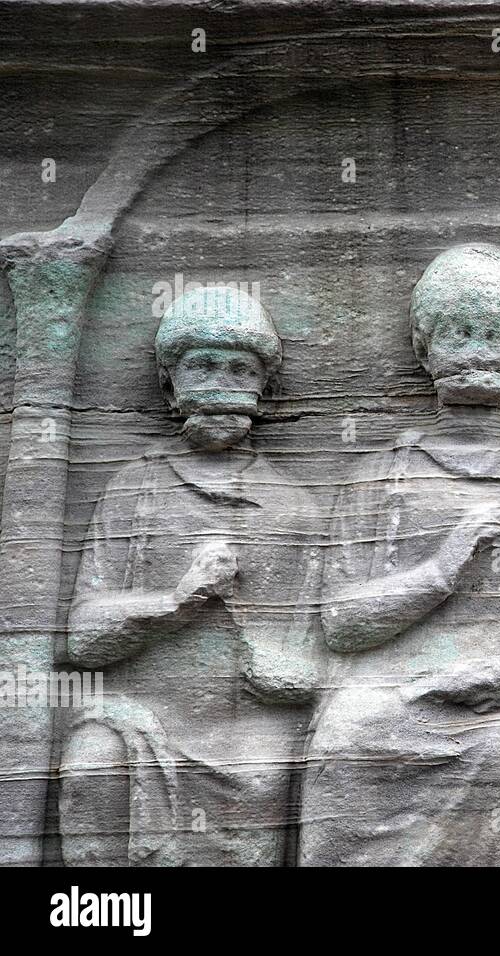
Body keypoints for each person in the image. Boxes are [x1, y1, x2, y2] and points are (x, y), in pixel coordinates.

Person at [299, 243, 500, 865]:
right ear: (423, 346)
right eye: (458, 331)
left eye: (495, 331)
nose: (476, 348)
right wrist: (439, 570)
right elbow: (340, 623)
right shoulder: (378, 479)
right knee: (344, 739)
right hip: (388, 690)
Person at [59, 285, 323, 865]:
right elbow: (81, 639)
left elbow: (317, 663)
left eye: (240, 369)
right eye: (201, 365)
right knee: (92, 764)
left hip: (246, 731)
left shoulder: (294, 508)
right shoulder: (134, 489)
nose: (221, 385)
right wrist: (177, 602)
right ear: (169, 382)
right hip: (139, 718)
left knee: (262, 776)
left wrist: (285, 671)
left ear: (265, 389)